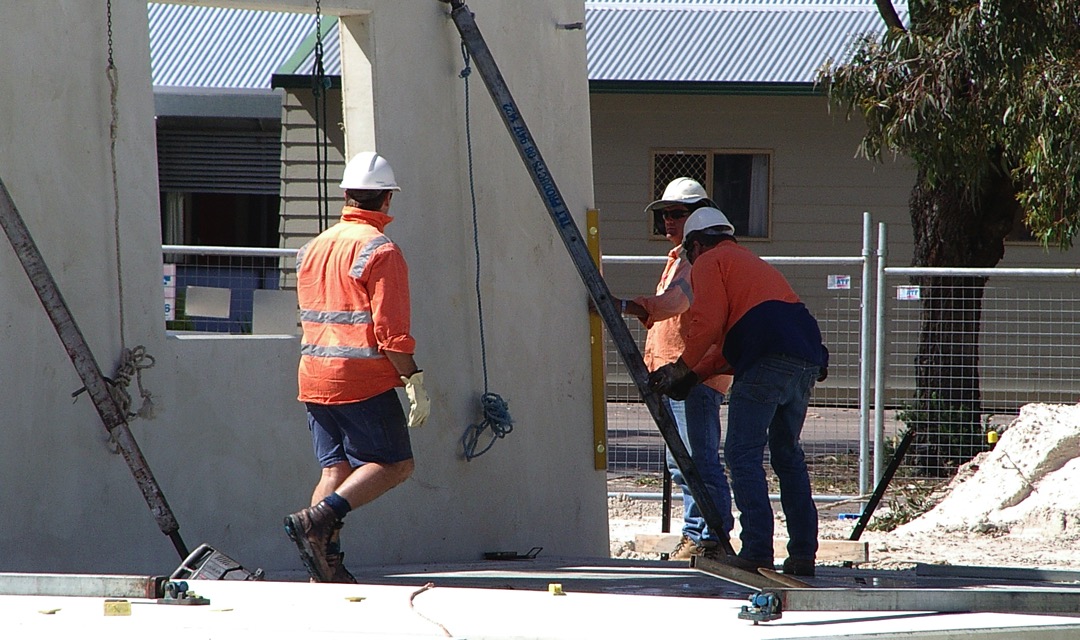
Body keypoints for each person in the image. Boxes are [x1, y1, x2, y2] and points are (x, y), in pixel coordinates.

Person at [648, 207, 828, 577]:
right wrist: (693, 377)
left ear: (696, 244)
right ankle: (803, 554)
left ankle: (757, 549)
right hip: (804, 357)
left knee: (740, 452)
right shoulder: (747, 262)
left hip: (768, 359)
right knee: (786, 454)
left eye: (690, 252)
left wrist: (681, 368)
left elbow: (707, 324)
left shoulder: (710, 260)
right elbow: (728, 350)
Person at [284, 151, 431, 583]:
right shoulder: (381, 250)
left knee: (336, 470)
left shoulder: (312, 248)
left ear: (347, 194)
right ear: (387, 200)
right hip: (359, 379)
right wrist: (413, 378)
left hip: (313, 375)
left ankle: (324, 565)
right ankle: (317, 522)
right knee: (395, 464)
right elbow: (391, 332)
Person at [613, 178, 735, 560]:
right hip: (678, 376)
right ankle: (699, 534)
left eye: (677, 214)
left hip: (692, 377)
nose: (668, 221)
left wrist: (627, 306)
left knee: (697, 459)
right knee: (682, 459)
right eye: (665, 215)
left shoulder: (699, 260)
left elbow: (676, 303)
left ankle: (707, 536)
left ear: (698, 216)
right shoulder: (680, 258)